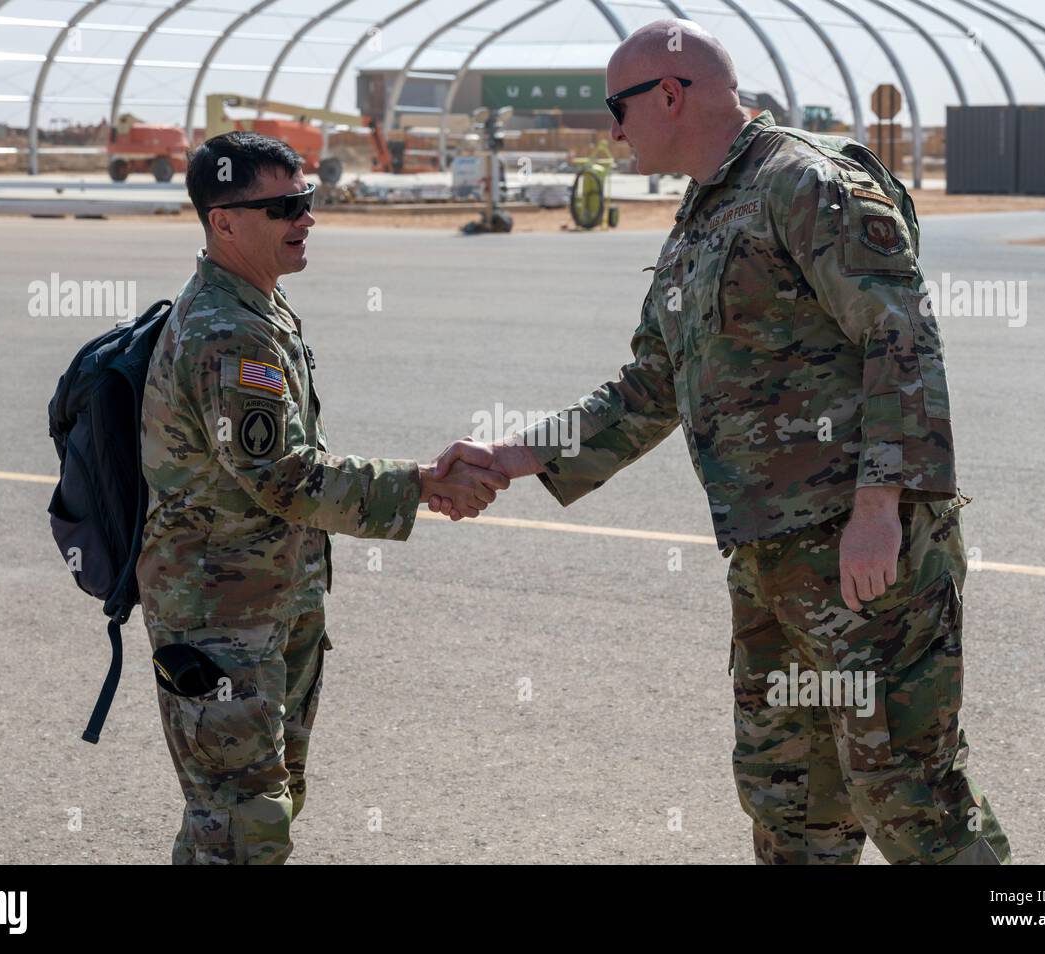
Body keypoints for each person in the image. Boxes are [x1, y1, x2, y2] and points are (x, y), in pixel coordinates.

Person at [432, 19, 1011, 864]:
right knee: (791, 803)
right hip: (771, 561)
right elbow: (648, 386)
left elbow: (902, 340)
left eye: (617, 107)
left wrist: (880, 506)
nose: (612, 130)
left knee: (911, 799)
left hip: (863, 556)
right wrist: (519, 454)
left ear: (670, 93)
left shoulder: (804, 183)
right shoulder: (700, 218)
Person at [137, 131, 507, 864]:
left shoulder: (258, 308)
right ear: (225, 221)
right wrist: (422, 484)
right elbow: (283, 477)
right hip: (219, 618)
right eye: (283, 207)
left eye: (306, 201)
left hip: (275, 601)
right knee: (245, 822)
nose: (305, 218)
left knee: (254, 807)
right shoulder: (228, 333)